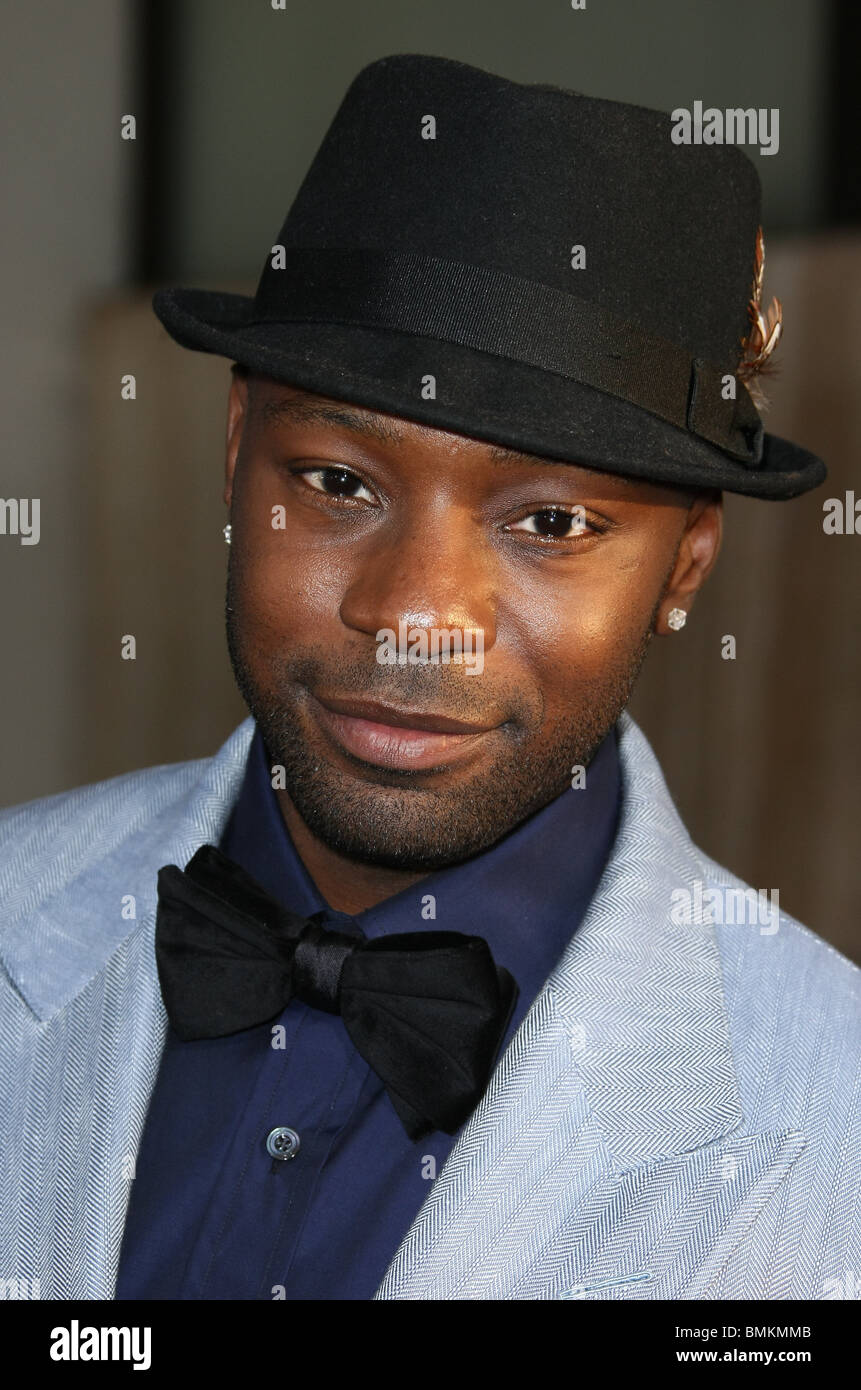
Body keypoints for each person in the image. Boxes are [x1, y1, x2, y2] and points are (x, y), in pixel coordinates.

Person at [1, 54, 857, 1302]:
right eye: (338, 483)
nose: (411, 618)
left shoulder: (830, 1121)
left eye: (551, 523)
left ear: (687, 567)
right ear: (237, 451)